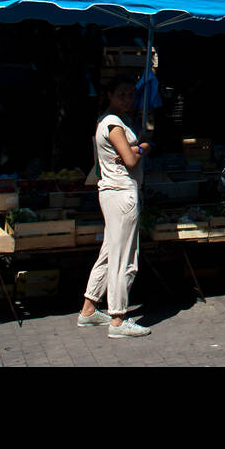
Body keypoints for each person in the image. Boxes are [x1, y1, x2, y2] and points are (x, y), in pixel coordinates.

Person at [80, 75, 152, 337]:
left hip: (112, 193)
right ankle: (118, 319)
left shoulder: (110, 122)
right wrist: (143, 146)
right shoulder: (113, 124)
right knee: (125, 258)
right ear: (109, 95)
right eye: (121, 93)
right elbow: (131, 160)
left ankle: (89, 308)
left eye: (131, 94)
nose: (127, 98)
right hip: (122, 193)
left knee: (110, 252)